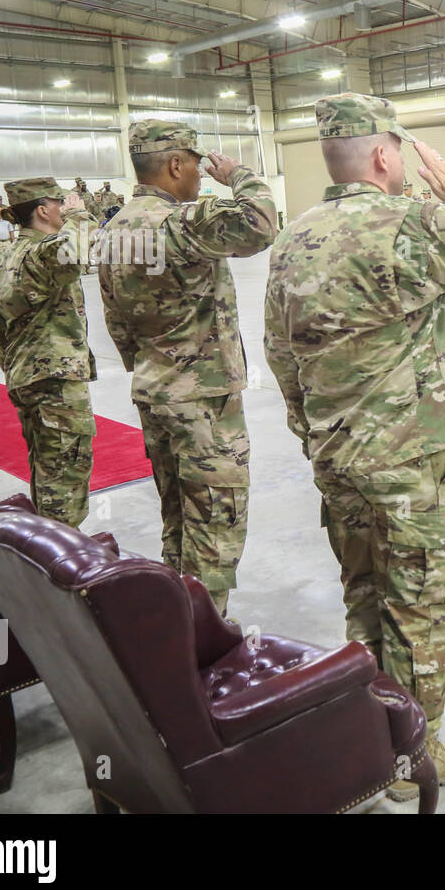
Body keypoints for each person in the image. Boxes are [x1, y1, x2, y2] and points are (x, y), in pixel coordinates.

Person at [264, 92, 445, 802]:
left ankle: (369, 736)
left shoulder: (293, 237)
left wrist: (313, 430)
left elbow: (280, 352)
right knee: (422, 603)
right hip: (409, 458)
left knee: (364, 591)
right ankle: (411, 760)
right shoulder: (413, 222)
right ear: (384, 155)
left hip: (335, 454)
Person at [97, 120, 277, 615]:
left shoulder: (114, 228)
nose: (201, 173)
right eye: (196, 164)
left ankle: (172, 623)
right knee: (215, 523)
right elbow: (261, 224)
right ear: (175, 165)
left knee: (178, 515)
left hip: (155, 390)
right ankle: (203, 634)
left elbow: (116, 320)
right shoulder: (182, 222)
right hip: (202, 401)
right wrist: (239, 175)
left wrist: (154, 365)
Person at [0, 178, 98, 524]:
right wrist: (79, 215)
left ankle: (45, 544)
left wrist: (14, 370)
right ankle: (61, 551)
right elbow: (78, 249)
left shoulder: (7, 257)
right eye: (59, 202)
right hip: (55, 382)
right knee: (65, 481)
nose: (65, 207)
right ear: (43, 210)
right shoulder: (42, 252)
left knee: (47, 472)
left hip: (27, 376)